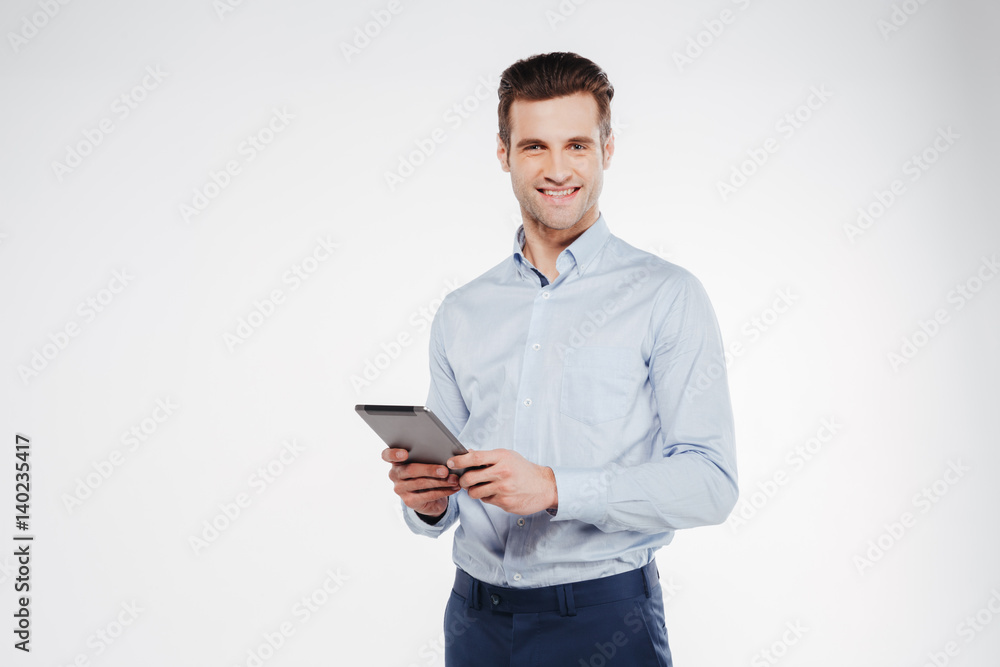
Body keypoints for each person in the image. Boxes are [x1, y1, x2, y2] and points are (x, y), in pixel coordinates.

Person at [381, 51, 737, 666]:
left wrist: (552, 488)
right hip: (474, 622)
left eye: (577, 144)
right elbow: (444, 477)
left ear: (607, 149)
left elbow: (711, 485)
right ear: (504, 155)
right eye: (534, 147)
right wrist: (429, 499)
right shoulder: (462, 311)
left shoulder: (666, 296)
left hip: (604, 622)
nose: (557, 169)